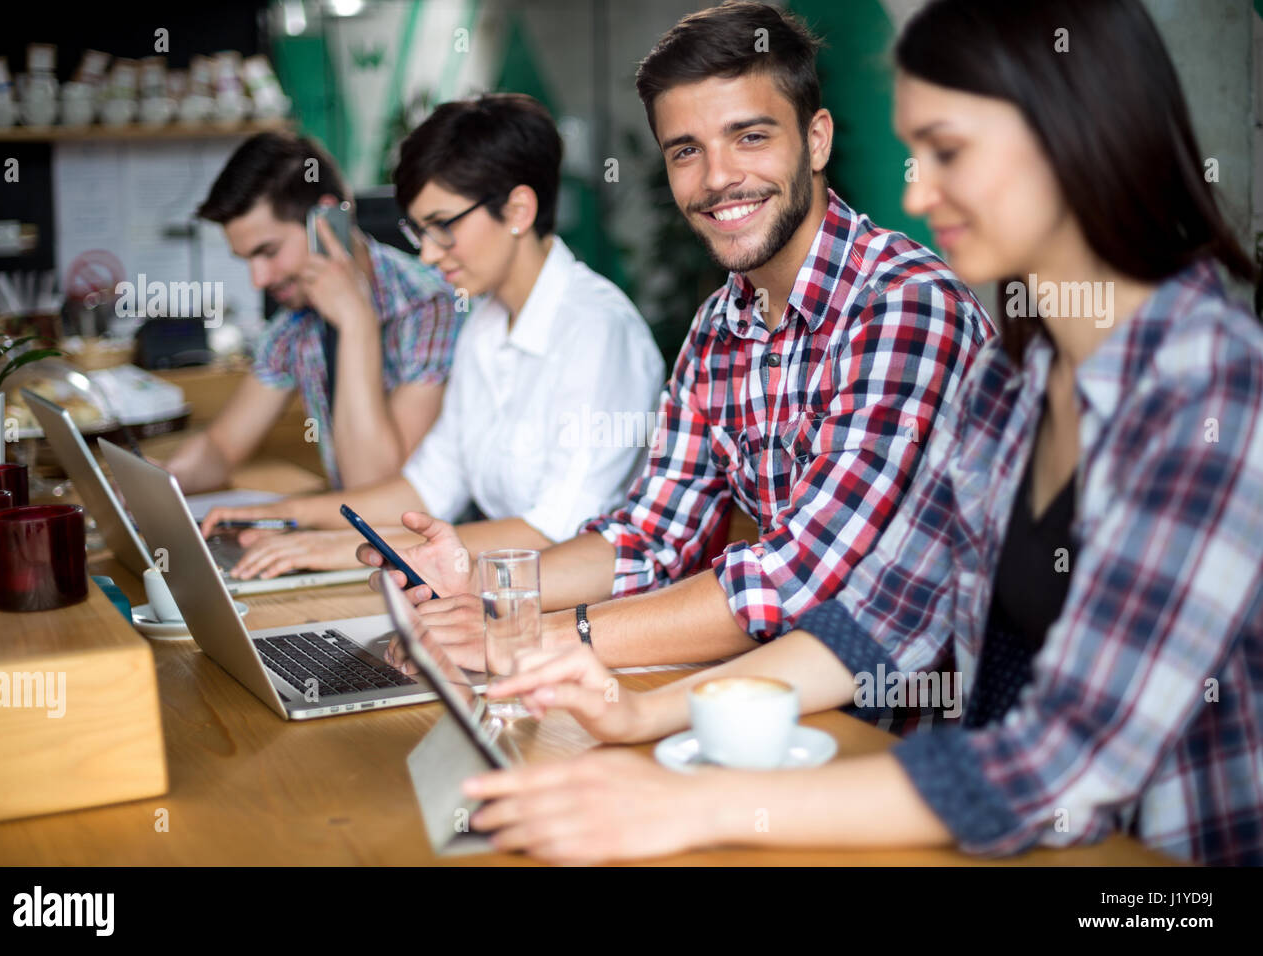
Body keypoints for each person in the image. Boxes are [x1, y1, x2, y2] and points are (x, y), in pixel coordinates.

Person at [450, 0, 1263, 867]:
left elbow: (1058, 761)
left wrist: (700, 801)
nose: (917, 191)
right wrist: (639, 712)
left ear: (1075, 133)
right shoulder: (1016, 381)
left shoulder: (1208, 388)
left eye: (948, 150)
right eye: (918, 152)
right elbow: (881, 619)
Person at [361, 2, 992, 670]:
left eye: (750, 137)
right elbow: (649, 536)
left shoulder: (905, 308)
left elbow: (796, 577)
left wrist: (529, 638)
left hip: (915, 731)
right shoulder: (720, 326)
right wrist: (483, 586)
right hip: (777, 699)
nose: (718, 178)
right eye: (686, 151)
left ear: (816, 140)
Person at [198, 94, 664, 577]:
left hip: (591, 618)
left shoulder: (596, 329)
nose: (427, 255)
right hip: (508, 597)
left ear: (519, 210)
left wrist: (342, 549)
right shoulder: (485, 324)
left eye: (443, 227)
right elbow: (424, 488)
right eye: (421, 232)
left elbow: (555, 532)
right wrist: (287, 514)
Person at [166, 132, 461, 494]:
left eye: (269, 251)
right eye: (247, 260)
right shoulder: (293, 325)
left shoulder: (431, 306)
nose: (259, 279)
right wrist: (163, 482)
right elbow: (222, 447)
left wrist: (357, 324)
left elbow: (374, 489)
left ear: (326, 220)